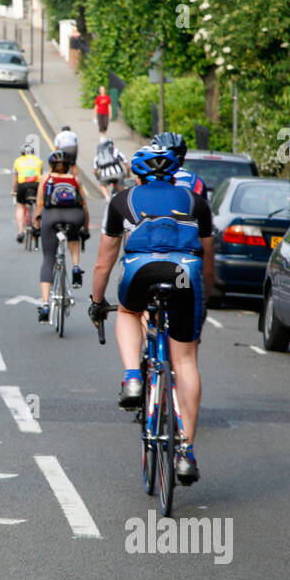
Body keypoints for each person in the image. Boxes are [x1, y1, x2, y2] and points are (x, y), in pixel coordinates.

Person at [88, 144, 214, 483]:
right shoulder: (196, 203)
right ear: (174, 172)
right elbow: (208, 258)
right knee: (185, 360)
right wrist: (207, 293)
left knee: (129, 313)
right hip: (185, 273)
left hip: (140, 271)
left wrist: (97, 300)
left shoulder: (122, 201)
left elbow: (103, 261)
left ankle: (132, 378)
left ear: (138, 173)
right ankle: (186, 454)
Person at [33, 150, 90, 321]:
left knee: (48, 258)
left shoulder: (46, 178)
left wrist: (37, 221)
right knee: (73, 235)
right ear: (68, 167)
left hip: (52, 216)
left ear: (51, 165)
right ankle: (76, 267)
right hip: (75, 216)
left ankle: (45, 306)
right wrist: (85, 227)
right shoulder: (75, 180)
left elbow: (39, 202)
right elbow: (84, 205)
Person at [11, 141, 43, 243]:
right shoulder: (39, 161)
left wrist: (13, 190)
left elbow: (15, 179)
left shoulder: (17, 161)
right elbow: (41, 177)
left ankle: (20, 232)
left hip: (23, 185)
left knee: (20, 206)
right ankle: (36, 226)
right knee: (39, 205)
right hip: (36, 184)